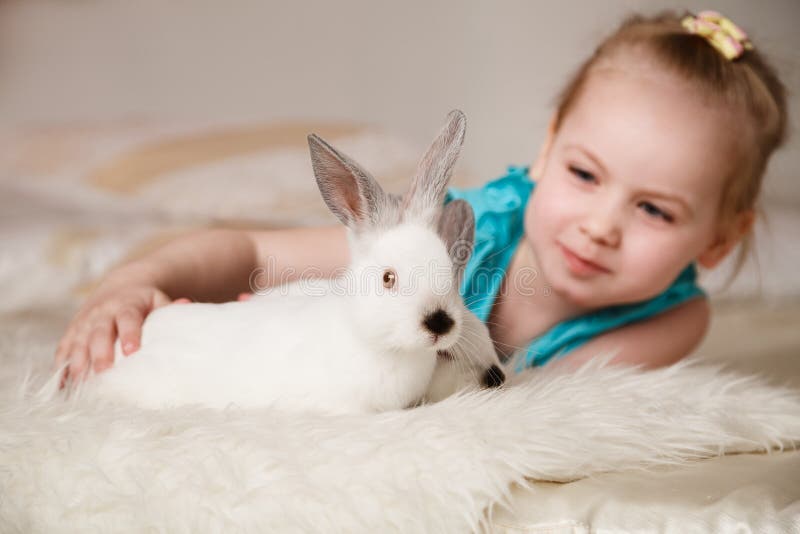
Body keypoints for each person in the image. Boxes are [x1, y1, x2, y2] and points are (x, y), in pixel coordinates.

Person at [55, 10, 788, 382]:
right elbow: (249, 252)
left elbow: (526, 405)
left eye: (655, 209)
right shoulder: (438, 241)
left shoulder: (675, 317)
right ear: (547, 148)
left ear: (719, 240)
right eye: (585, 175)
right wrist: (135, 284)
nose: (600, 226)